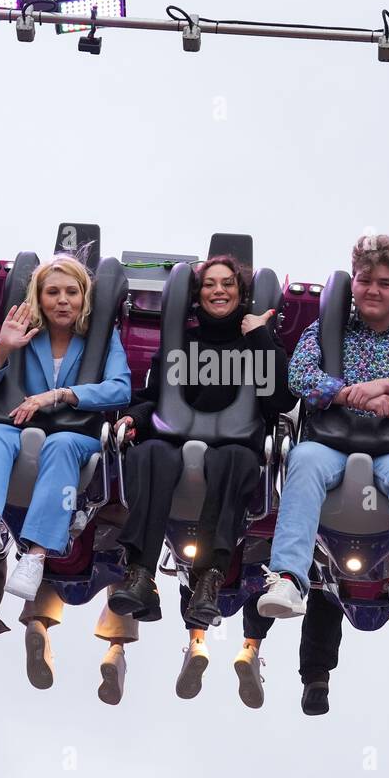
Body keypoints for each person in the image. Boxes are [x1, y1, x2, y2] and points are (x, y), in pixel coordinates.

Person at [256, 234, 389, 722]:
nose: (372, 290)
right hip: (333, 443)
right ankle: (287, 578)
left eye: (384, 283)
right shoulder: (329, 328)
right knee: (300, 458)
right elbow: (300, 374)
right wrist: (350, 395)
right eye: (365, 280)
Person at [109, 255, 294, 707]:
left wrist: (262, 339)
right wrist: (133, 420)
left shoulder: (255, 342)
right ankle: (139, 574)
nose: (218, 291)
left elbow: (279, 404)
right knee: (150, 452)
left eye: (227, 284)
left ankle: (210, 577)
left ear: (240, 291)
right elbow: (152, 398)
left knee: (234, 458)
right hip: (177, 441)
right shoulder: (182, 343)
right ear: (197, 294)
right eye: (209, 284)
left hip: (233, 447)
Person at [0, 255, 134, 702]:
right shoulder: (21, 333)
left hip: (74, 437)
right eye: (52, 292)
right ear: (38, 297)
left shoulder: (99, 339)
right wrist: (1, 351)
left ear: (84, 297)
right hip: (15, 429)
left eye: (71, 292)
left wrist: (61, 394)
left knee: (59, 445)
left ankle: (34, 555)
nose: (62, 300)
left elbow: (122, 387)